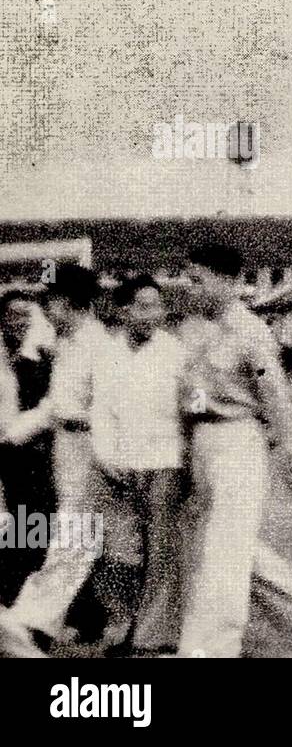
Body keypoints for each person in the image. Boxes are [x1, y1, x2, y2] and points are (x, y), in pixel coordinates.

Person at [177, 245, 292, 657]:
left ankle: (217, 647)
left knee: (225, 548)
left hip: (238, 440)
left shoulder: (252, 332)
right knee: (217, 544)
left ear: (226, 281)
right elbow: (190, 395)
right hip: (204, 442)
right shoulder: (197, 332)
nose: (191, 290)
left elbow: (274, 396)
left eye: (197, 280)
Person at [1, 265, 110, 648]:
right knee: (75, 538)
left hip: (92, 448)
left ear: (65, 302)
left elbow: (107, 408)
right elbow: (53, 405)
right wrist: (12, 433)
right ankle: (32, 621)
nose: (44, 311)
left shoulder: (98, 345)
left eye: (48, 302)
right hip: (66, 450)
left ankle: (27, 622)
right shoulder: (67, 343)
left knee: (76, 538)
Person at [87, 275, 187, 655]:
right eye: (144, 306)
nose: (153, 315)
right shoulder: (108, 354)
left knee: (162, 553)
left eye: (158, 306)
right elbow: (102, 412)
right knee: (118, 553)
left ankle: (153, 637)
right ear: (122, 310)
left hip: (165, 463)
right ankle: (123, 623)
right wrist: (108, 459)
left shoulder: (175, 352)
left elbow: (187, 410)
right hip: (119, 468)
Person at [0, 290, 55, 607]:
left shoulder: (41, 361)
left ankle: (21, 598)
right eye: (14, 314)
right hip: (5, 454)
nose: (20, 321)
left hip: (32, 457)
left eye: (26, 315)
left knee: (31, 526)